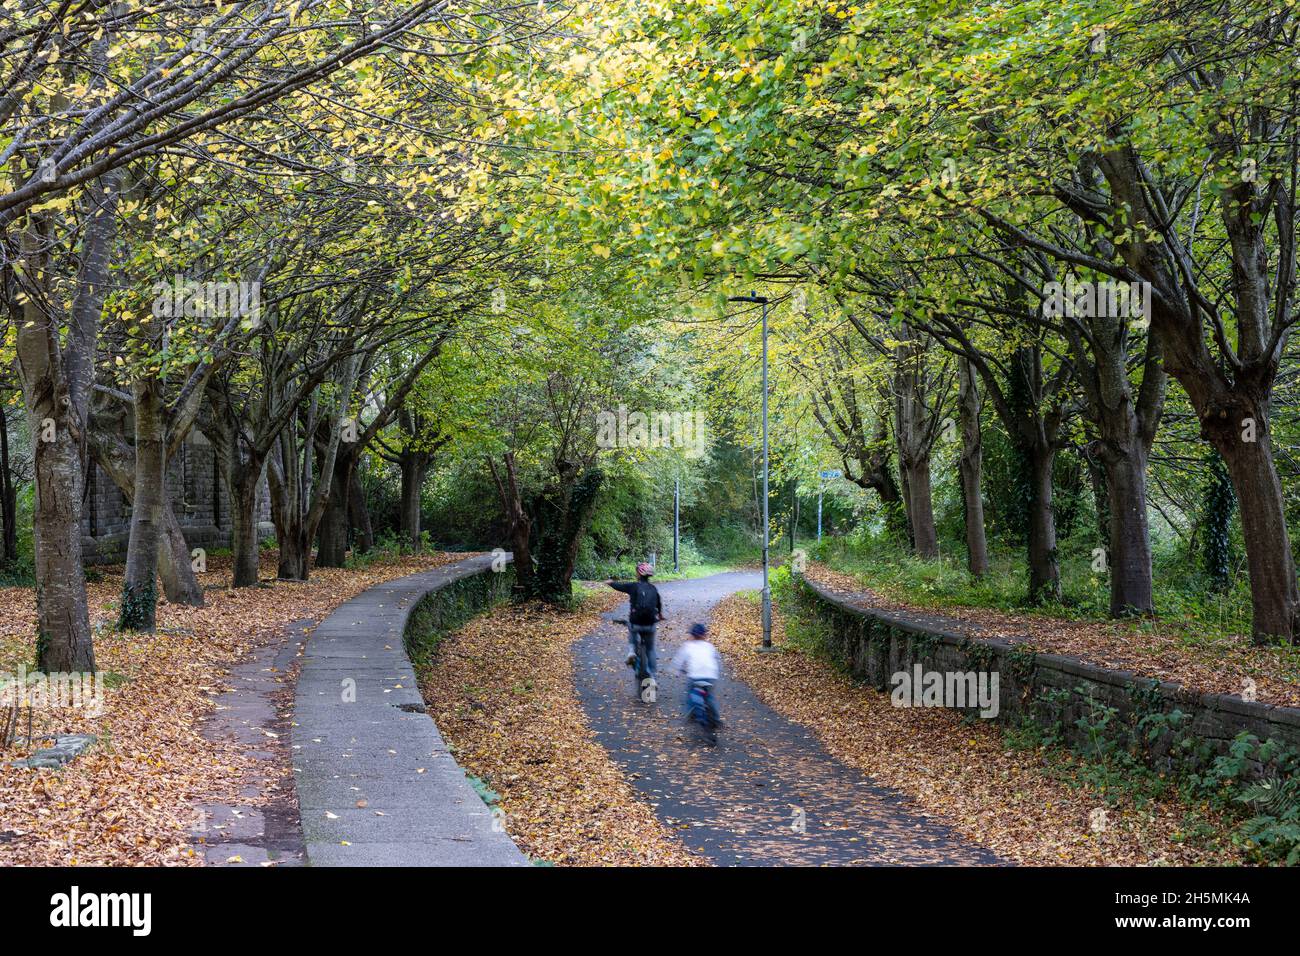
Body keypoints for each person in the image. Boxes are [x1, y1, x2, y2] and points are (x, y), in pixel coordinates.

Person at [606, 562, 664, 700]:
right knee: (650, 649)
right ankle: (652, 676)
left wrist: (610, 582)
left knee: (632, 631)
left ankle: (631, 651)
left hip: (636, 622)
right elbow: (659, 603)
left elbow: (619, 586)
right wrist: (660, 615)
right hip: (650, 624)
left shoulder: (633, 586)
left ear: (639, 574)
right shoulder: (654, 588)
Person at [671, 622, 722, 730]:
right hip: (710, 676)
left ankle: (690, 713)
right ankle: (716, 719)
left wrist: (676, 670)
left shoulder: (688, 646)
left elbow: (678, 661)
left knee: (690, 693)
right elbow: (717, 658)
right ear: (704, 635)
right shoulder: (709, 646)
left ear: (692, 635)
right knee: (709, 697)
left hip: (695, 676)